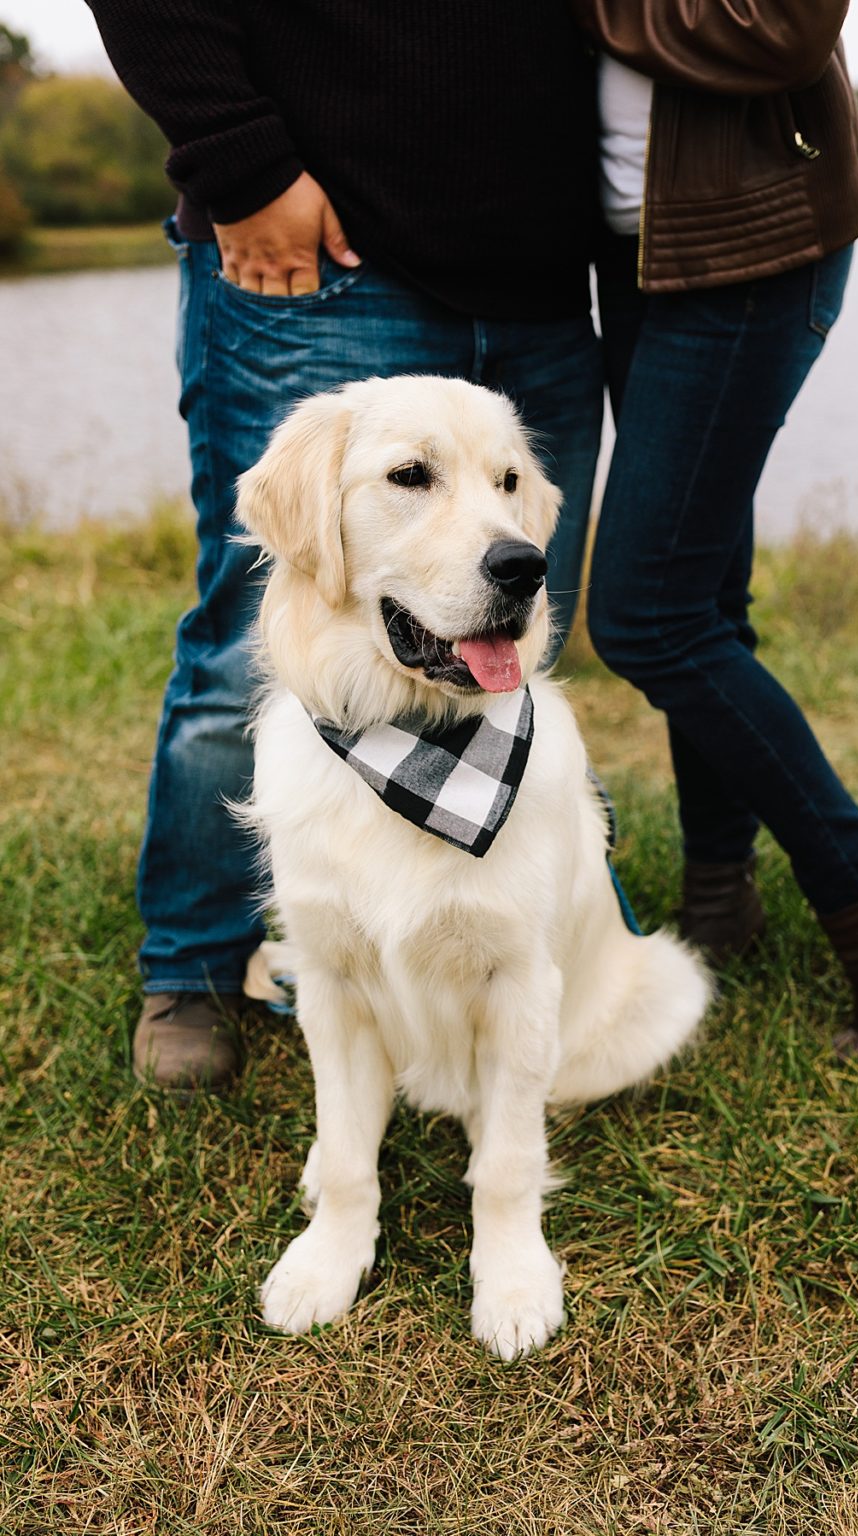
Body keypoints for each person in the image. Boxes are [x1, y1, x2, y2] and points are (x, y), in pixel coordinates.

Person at [87, 2, 605, 1091]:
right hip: (318, 251)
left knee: (491, 645)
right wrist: (241, 162)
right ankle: (193, 960)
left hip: (543, 279)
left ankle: (461, 936)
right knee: (256, 629)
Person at [570, 0, 858, 1056]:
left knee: (645, 615)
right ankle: (719, 895)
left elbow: (777, 29)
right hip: (634, 257)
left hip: (751, 253)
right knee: (699, 594)